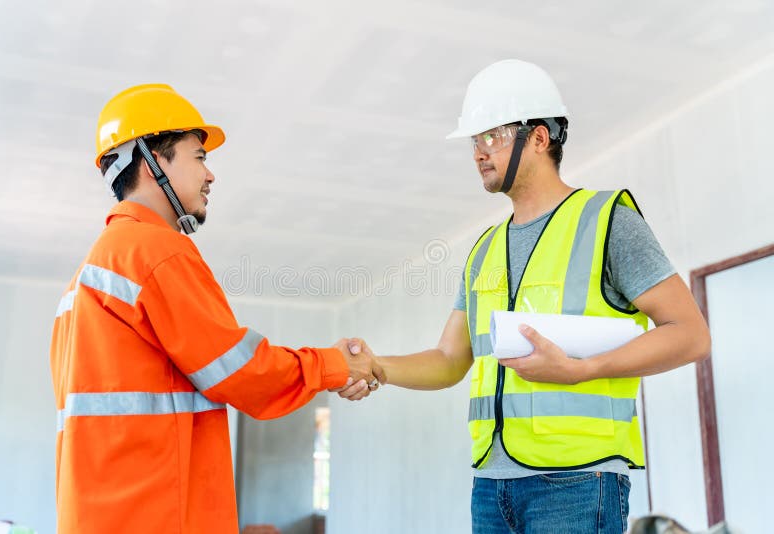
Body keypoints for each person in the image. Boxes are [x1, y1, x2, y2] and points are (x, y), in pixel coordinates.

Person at [336, 60, 711, 533]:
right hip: (491, 486)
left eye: (491, 135)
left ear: (539, 137)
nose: (478, 152)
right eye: (474, 140)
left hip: (577, 482)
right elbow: (451, 358)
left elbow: (691, 335)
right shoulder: (484, 249)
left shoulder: (605, 221)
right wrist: (378, 367)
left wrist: (582, 370)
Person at [50, 84, 383, 533]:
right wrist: (335, 365)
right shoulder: (154, 252)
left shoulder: (89, 276)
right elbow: (240, 372)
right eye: (199, 157)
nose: (211, 176)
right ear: (151, 162)